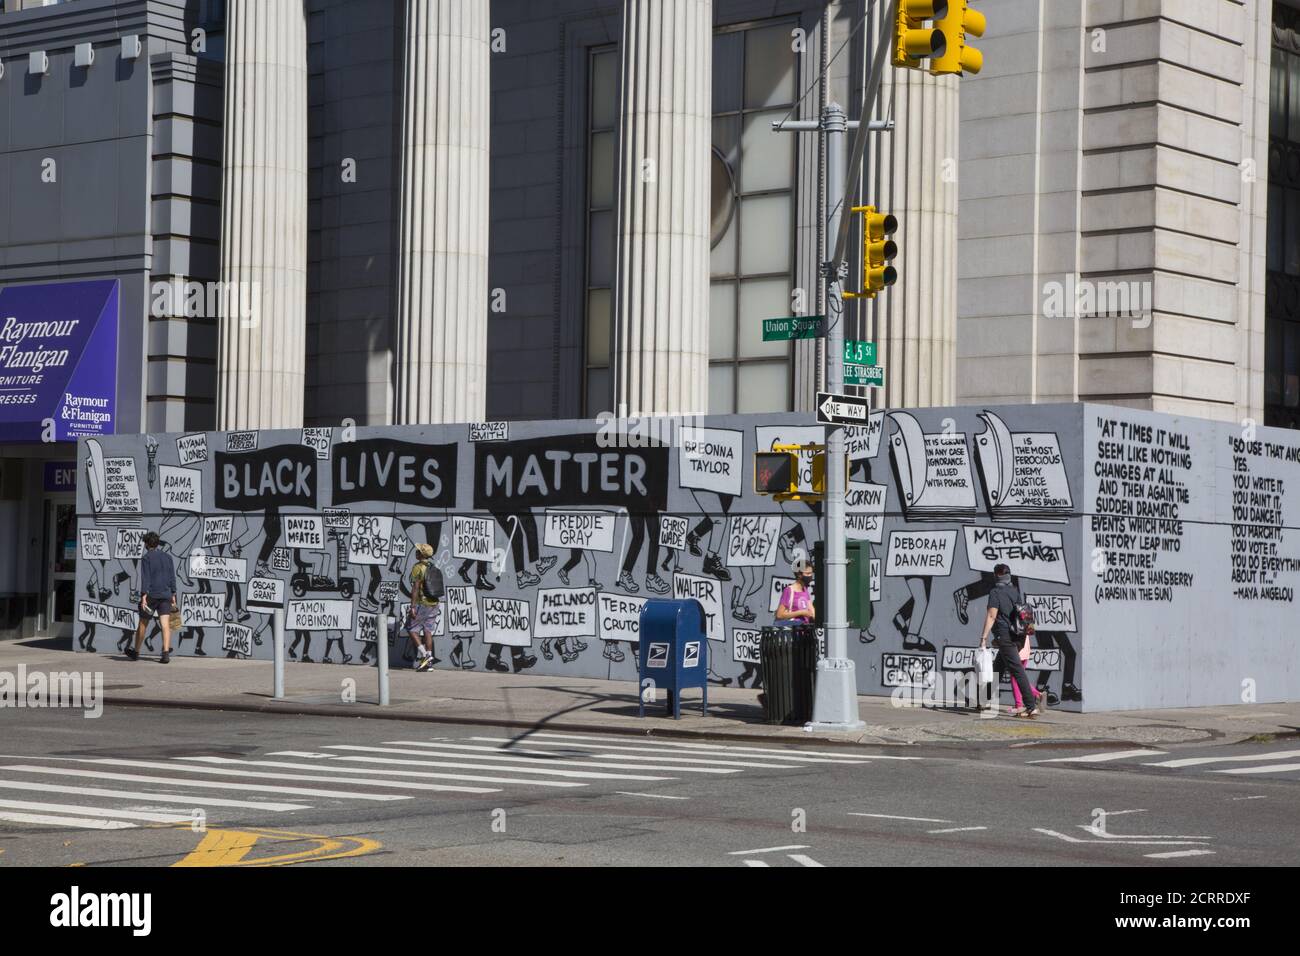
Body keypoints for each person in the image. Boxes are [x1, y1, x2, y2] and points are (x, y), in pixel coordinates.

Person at [978, 563, 1039, 717]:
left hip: (1005, 636)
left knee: (1017, 670)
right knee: (998, 667)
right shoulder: (1014, 591)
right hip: (1017, 636)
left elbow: (992, 615)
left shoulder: (995, 592)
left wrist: (983, 638)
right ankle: (983, 700)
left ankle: (1031, 705)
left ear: (996, 576)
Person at [129, 531, 176, 663]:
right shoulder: (168, 557)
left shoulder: (146, 558)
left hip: (152, 595)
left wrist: (144, 596)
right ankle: (165, 653)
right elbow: (172, 576)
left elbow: (146, 578)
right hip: (166, 594)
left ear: (147, 543)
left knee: (143, 623)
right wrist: (173, 594)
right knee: (165, 624)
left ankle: (136, 652)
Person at [408, 543, 442, 671]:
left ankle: (425, 655)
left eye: (417, 551)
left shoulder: (418, 568)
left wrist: (412, 606)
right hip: (434, 603)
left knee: (411, 629)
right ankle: (429, 664)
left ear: (421, 554)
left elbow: (416, 587)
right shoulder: (433, 566)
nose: (415, 552)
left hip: (423, 604)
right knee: (428, 631)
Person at [776, 558, 816, 623]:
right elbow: (779, 615)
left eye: (811, 573)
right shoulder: (789, 590)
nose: (810, 576)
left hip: (804, 630)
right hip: (793, 630)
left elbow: (811, 609)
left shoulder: (805, 590)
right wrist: (801, 612)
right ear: (799, 575)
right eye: (807, 573)